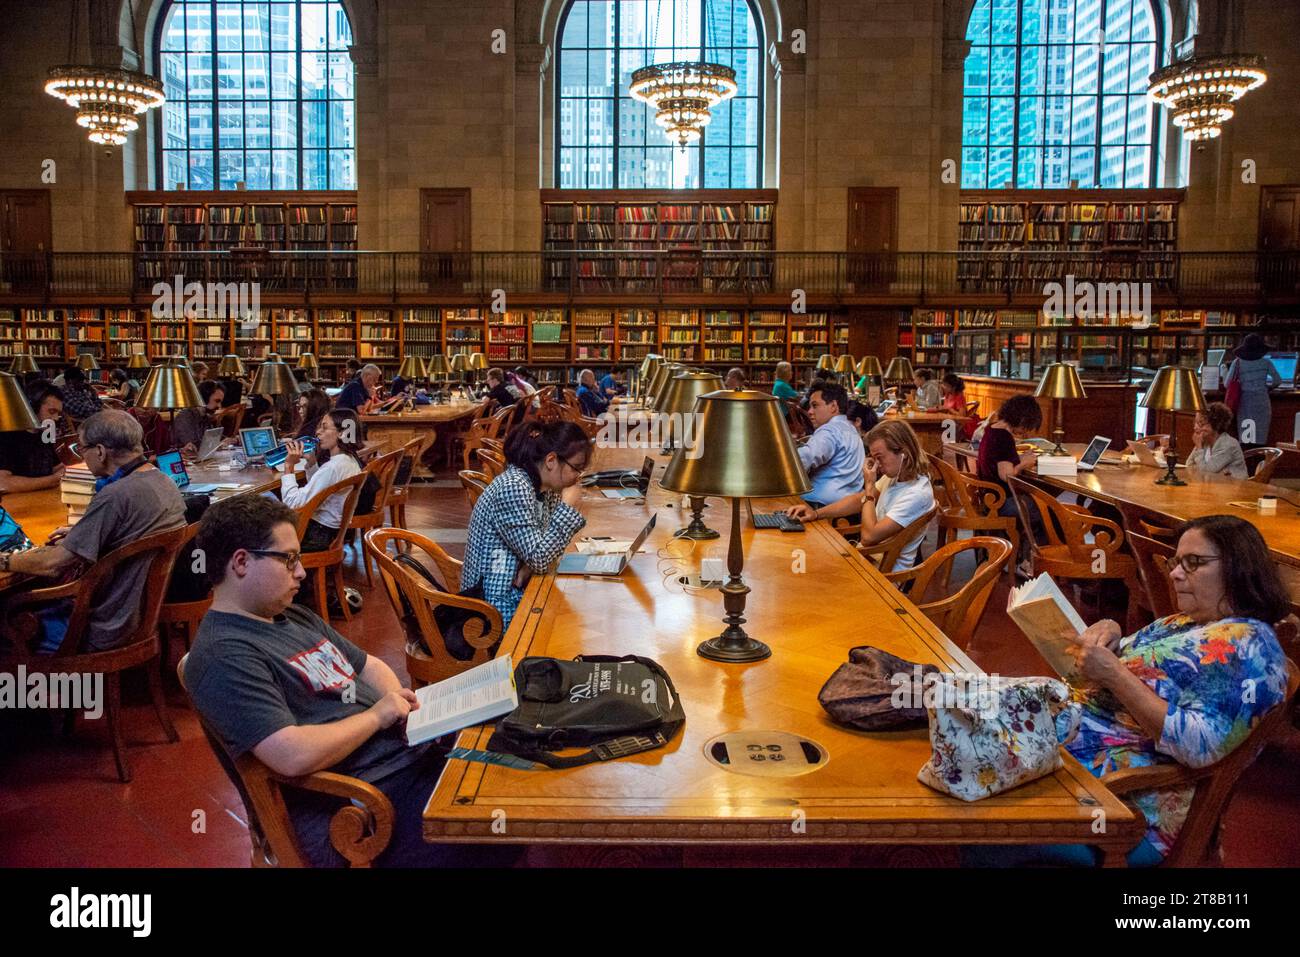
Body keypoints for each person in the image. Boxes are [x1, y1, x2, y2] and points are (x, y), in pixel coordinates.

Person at [184, 494, 513, 868]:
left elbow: (368, 665)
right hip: (358, 811)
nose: (301, 572)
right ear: (241, 562)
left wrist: (404, 710)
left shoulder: (289, 616)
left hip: (399, 767)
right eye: (288, 559)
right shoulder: (224, 654)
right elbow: (291, 755)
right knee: (509, 825)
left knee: (516, 771)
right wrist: (377, 716)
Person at [969, 516, 1291, 867]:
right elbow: (1148, 668)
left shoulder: (1251, 649)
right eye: (1176, 562)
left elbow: (1199, 746)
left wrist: (1115, 674)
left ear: (1238, 566)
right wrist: (1112, 633)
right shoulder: (1188, 621)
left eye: (1193, 563)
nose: (1175, 573)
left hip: (1125, 807)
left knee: (980, 821)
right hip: (1071, 767)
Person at [0, 410, 185, 654]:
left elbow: (52, 565)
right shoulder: (163, 481)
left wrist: (5, 561)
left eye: (81, 448)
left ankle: (31, 691)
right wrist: (83, 532)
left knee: (6, 615)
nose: (81, 455)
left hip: (97, 628)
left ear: (100, 451)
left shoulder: (115, 495)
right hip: (136, 618)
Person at [461, 420, 588, 632]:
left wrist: (529, 565)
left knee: (576, 614)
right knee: (570, 626)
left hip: (517, 592)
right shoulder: (514, 487)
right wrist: (567, 506)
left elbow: (542, 550)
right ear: (551, 460)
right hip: (494, 609)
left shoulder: (542, 487)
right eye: (577, 468)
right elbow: (541, 556)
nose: (578, 478)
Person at [788, 419, 935, 571]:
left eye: (880, 457)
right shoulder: (895, 476)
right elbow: (859, 500)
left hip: (881, 576)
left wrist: (869, 486)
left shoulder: (917, 494)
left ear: (903, 452)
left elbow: (869, 537)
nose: (877, 465)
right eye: (874, 458)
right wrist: (816, 513)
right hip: (866, 559)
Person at [280, 409, 364, 553]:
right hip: (331, 532)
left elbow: (293, 504)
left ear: (342, 433)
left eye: (324, 427)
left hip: (315, 535)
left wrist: (288, 467)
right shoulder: (349, 460)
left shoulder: (333, 467)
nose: (318, 432)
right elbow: (322, 490)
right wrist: (312, 463)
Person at [797, 380, 866, 508]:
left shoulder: (830, 430)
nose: (810, 411)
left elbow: (803, 460)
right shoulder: (851, 429)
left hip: (818, 503)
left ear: (833, 406)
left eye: (815, 405)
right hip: (848, 506)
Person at [0, 382, 66, 494]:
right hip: (16, 506)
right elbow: (3, 483)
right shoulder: (6, 435)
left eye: (58, 413)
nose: (55, 418)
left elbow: (58, 468)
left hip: (42, 499)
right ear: (32, 407)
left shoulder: (45, 433)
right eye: (51, 411)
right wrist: (53, 480)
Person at [1224, 333, 1281, 448]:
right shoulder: (1266, 363)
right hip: (1262, 404)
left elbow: (1227, 384)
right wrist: (1267, 388)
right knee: (1260, 441)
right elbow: (1277, 380)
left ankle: (1248, 464)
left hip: (1245, 404)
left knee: (1246, 440)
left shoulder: (1238, 363)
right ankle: (1260, 464)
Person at [1186, 401, 1248, 479]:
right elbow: (1189, 465)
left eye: (1201, 423)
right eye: (1195, 422)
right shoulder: (1205, 442)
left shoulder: (1228, 444)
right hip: (1213, 486)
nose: (1195, 427)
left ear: (1215, 425)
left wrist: (1198, 448)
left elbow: (1206, 471)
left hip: (1234, 488)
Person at [171, 380, 226, 454]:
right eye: (217, 401)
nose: (219, 406)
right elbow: (193, 446)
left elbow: (213, 438)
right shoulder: (184, 417)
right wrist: (218, 443)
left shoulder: (205, 416)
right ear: (203, 398)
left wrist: (227, 440)